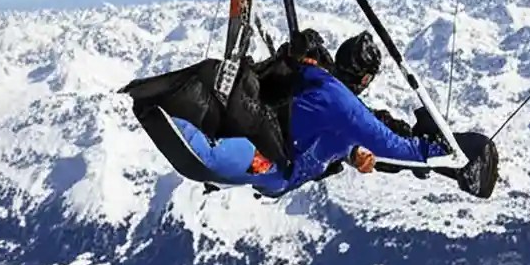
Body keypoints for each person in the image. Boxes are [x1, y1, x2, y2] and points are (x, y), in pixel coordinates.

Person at [166, 31, 447, 197]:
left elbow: (337, 131)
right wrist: (435, 153)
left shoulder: (317, 80)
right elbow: (387, 142)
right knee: (212, 159)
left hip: (274, 153)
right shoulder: (340, 102)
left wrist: (352, 153)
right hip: (276, 165)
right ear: (364, 79)